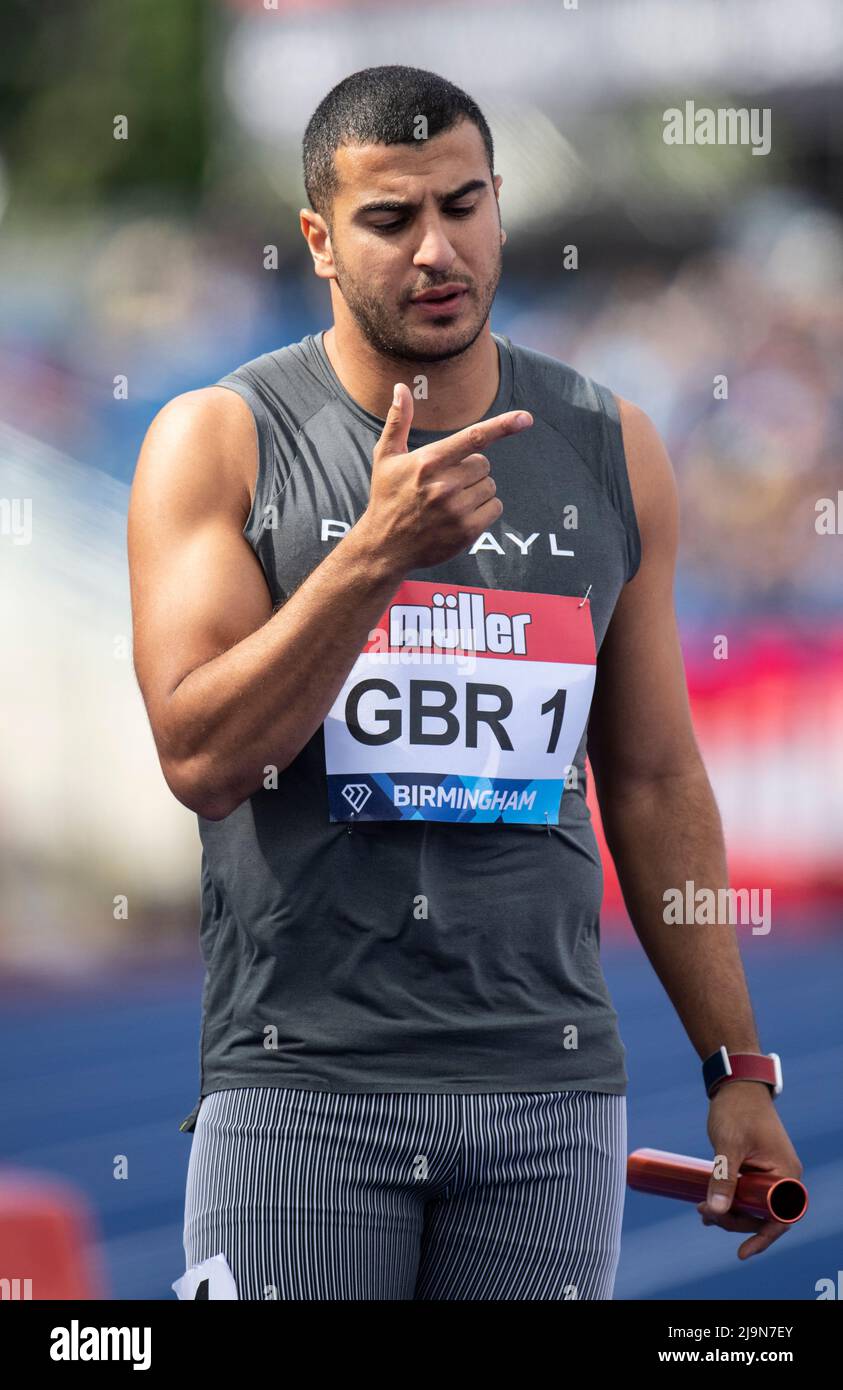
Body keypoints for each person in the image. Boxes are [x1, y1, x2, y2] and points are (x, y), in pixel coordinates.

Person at [128, 65, 802, 1301]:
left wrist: (737, 1067)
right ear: (321, 243)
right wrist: (371, 562)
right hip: (307, 1092)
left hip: (550, 1099)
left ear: (501, 203)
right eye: (392, 220)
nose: (439, 249)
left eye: (465, 204)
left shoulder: (609, 443)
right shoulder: (219, 439)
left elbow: (652, 779)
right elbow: (204, 758)